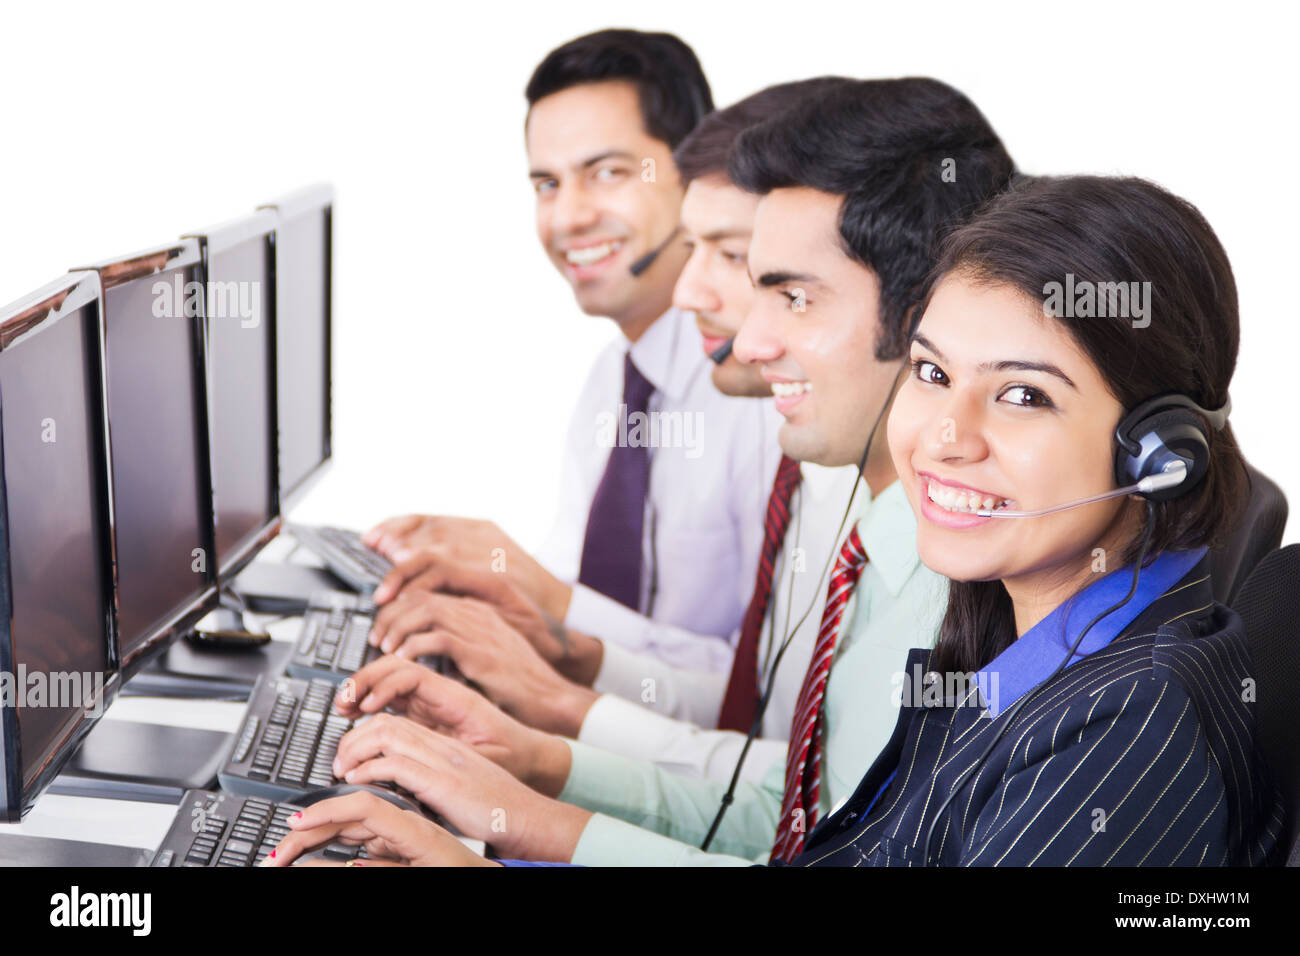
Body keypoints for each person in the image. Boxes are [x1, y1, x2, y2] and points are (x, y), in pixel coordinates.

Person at [265, 77, 1020, 867]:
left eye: (788, 293)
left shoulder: (968, 570)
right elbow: (796, 802)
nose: (745, 336)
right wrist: (533, 767)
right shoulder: (870, 529)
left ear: (923, 312)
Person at [788, 174, 1286, 866]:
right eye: (931, 373)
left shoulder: (1122, 733)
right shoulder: (1005, 626)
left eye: (1022, 394)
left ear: (1157, 453)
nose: (945, 437)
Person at [360, 29, 781, 682]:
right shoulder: (614, 378)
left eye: (607, 173)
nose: (568, 216)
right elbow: (574, 581)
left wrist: (540, 596)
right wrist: (477, 587)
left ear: (695, 172)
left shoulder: (764, 389)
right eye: (546, 184)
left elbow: (767, 694)